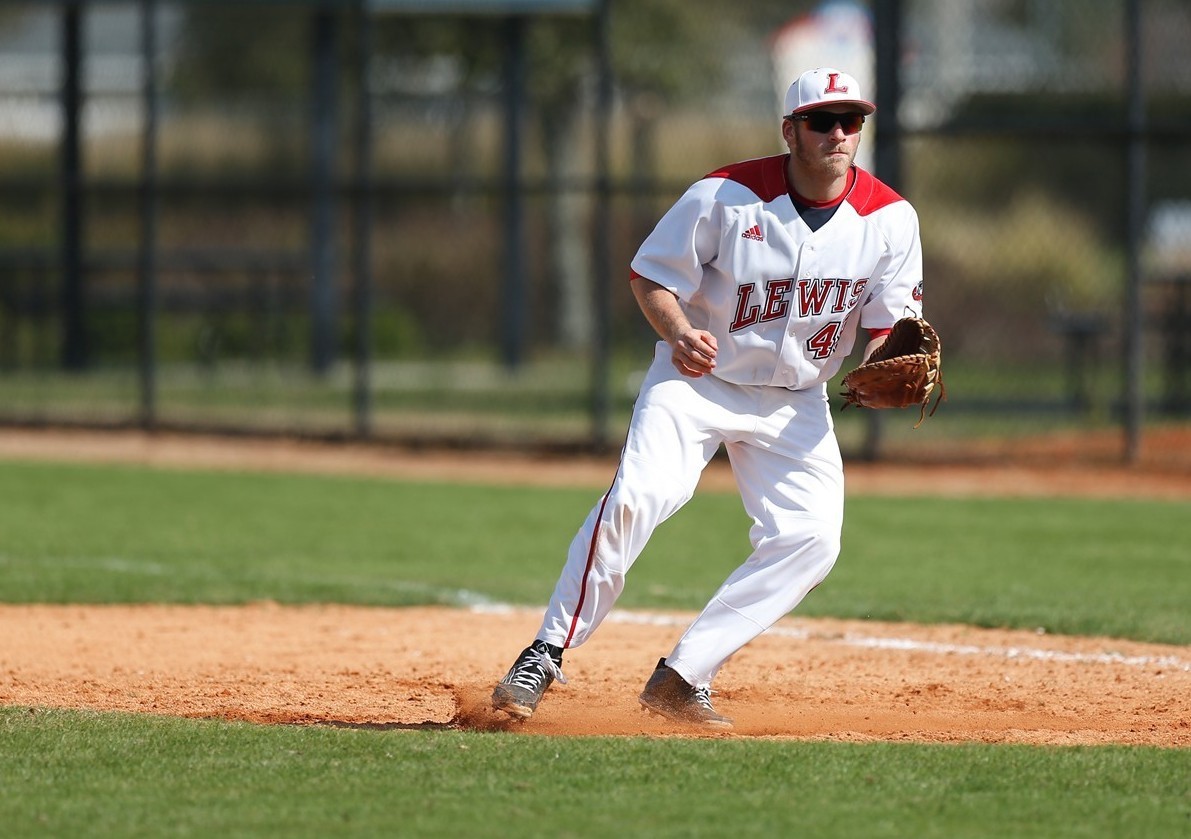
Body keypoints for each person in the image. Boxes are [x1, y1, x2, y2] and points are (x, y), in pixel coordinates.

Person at [492, 67, 925, 728]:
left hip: (794, 398)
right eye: (821, 120)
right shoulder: (724, 196)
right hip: (697, 378)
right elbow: (650, 276)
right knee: (637, 496)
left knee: (811, 539)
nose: (838, 133)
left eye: (851, 121)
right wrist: (677, 330)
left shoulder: (891, 219)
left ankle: (682, 675)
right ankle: (544, 652)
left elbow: (881, 330)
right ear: (790, 131)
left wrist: (883, 367)